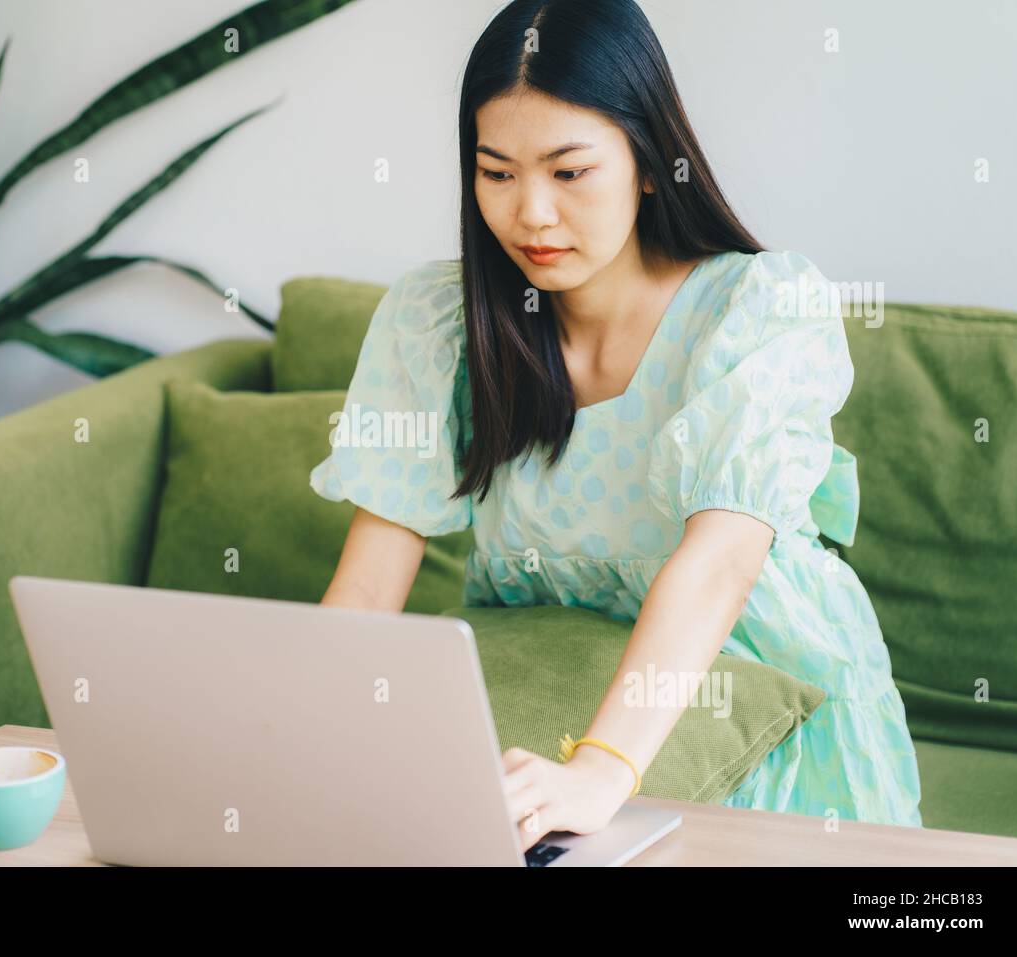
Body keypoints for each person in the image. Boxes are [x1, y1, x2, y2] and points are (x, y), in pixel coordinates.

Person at [309, 0, 923, 851]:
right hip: (550, 683)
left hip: (747, 692)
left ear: (647, 163)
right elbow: (369, 589)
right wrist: (289, 738)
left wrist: (601, 766)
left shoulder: (757, 309)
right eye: (495, 172)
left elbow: (718, 562)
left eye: (569, 173)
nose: (530, 215)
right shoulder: (438, 322)